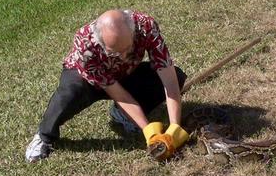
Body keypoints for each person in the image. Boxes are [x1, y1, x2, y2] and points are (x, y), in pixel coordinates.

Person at [25, 9, 189, 162]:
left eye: (128, 48)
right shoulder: (85, 45)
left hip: (126, 73)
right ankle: (44, 136)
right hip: (87, 80)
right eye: (115, 52)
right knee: (69, 93)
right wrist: (148, 131)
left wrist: (175, 126)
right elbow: (120, 95)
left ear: (133, 31)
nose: (124, 56)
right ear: (100, 41)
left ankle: (122, 115)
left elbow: (169, 80)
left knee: (177, 76)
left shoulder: (146, 26)